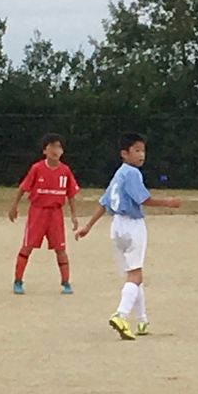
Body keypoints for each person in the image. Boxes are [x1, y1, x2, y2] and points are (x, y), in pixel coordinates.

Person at [76, 133, 182, 339]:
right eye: (136, 150)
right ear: (124, 154)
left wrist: (88, 226)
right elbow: (144, 199)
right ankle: (121, 315)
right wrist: (168, 202)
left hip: (116, 226)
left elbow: (104, 203)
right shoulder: (132, 173)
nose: (141, 155)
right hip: (132, 225)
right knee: (135, 275)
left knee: (134, 273)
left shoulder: (119, 174)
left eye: (143, 150)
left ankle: (142, 320)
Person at [8, 133, 81, 295]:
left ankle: (66, 282)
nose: (56, 150)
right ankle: (18, 281)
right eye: (52, 146)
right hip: (38, 212)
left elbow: (71, 194)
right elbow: (23, 188)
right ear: (45, 151)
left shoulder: (65, 171)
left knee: (60, 249)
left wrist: (74, 216)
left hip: (56, 214)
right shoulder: (37, 168)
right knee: (27, 246)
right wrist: (14, 206)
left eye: (59, 147)